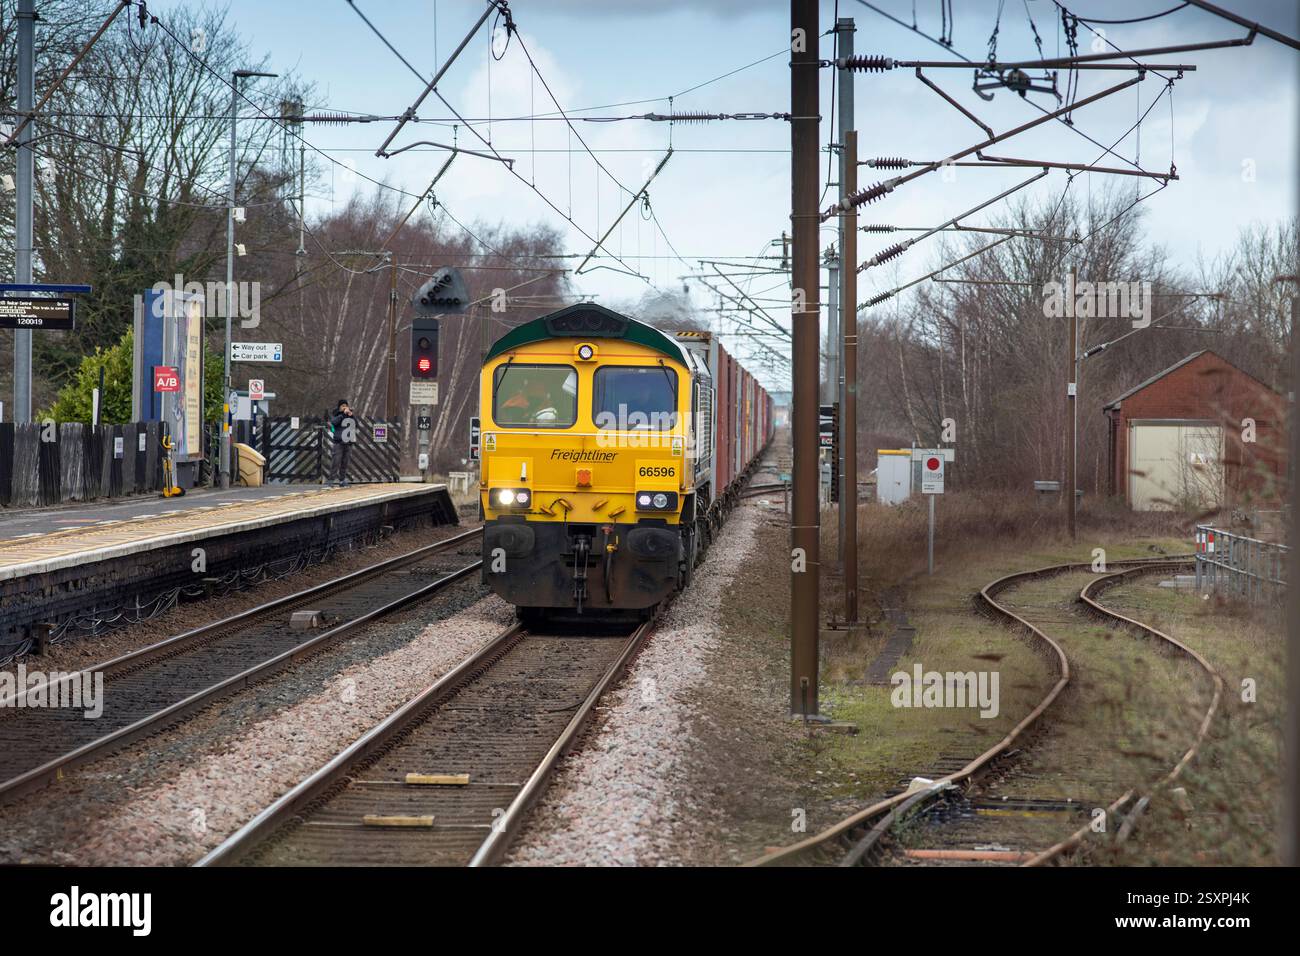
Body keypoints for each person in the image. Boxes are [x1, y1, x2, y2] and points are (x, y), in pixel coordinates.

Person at [329, 399, 356, 486]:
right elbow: (334, 422)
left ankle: (342, 480)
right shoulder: (336, 414)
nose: (345, 407)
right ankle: (331, 480)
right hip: (339, 442)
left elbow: (356, 425)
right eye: (342, 406)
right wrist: (343, 415)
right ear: (339, 407)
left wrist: (351, 416)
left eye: (346, 405)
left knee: (345, 462)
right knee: (336, 461)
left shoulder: (349, 416)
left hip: (348, 442)